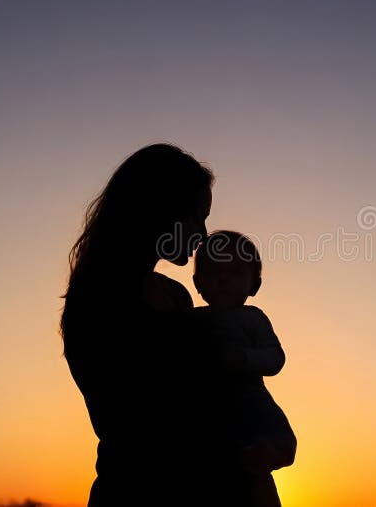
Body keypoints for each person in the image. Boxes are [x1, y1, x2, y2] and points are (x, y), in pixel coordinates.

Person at [59, 143, 295, 506]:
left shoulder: (175, 295)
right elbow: (136, 417)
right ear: (158, 211)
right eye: (196, 216)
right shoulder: (99, 301)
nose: (203, 233)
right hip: (145, 491)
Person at [191, 231, 297, 507]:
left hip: (248, 394)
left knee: (275, 433)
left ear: (255, 285)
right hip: (207, 402)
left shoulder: (252, 318)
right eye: (214, 270)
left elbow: (275, 357)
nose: (224, 278)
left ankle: (267, 453)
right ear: (197, 282)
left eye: (236, 271)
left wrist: (244, 359)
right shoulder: (190, 319)